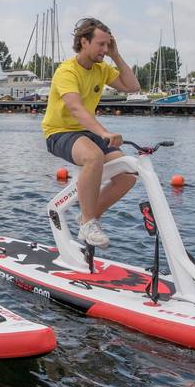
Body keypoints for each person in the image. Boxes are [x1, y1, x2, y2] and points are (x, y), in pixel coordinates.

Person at [41, 17, 142, 248]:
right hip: (59, 132)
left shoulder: (102, 68)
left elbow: (133, 87)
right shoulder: (67, 71)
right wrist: (104, 132)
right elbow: (75, 108)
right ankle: (88, 223)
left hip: (86, 132)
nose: (105, 50)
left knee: (127, 173)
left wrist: (116, 55)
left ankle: (88, 215)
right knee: (93, 156)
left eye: (108, 45)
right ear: (84, 42)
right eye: (101, 45)